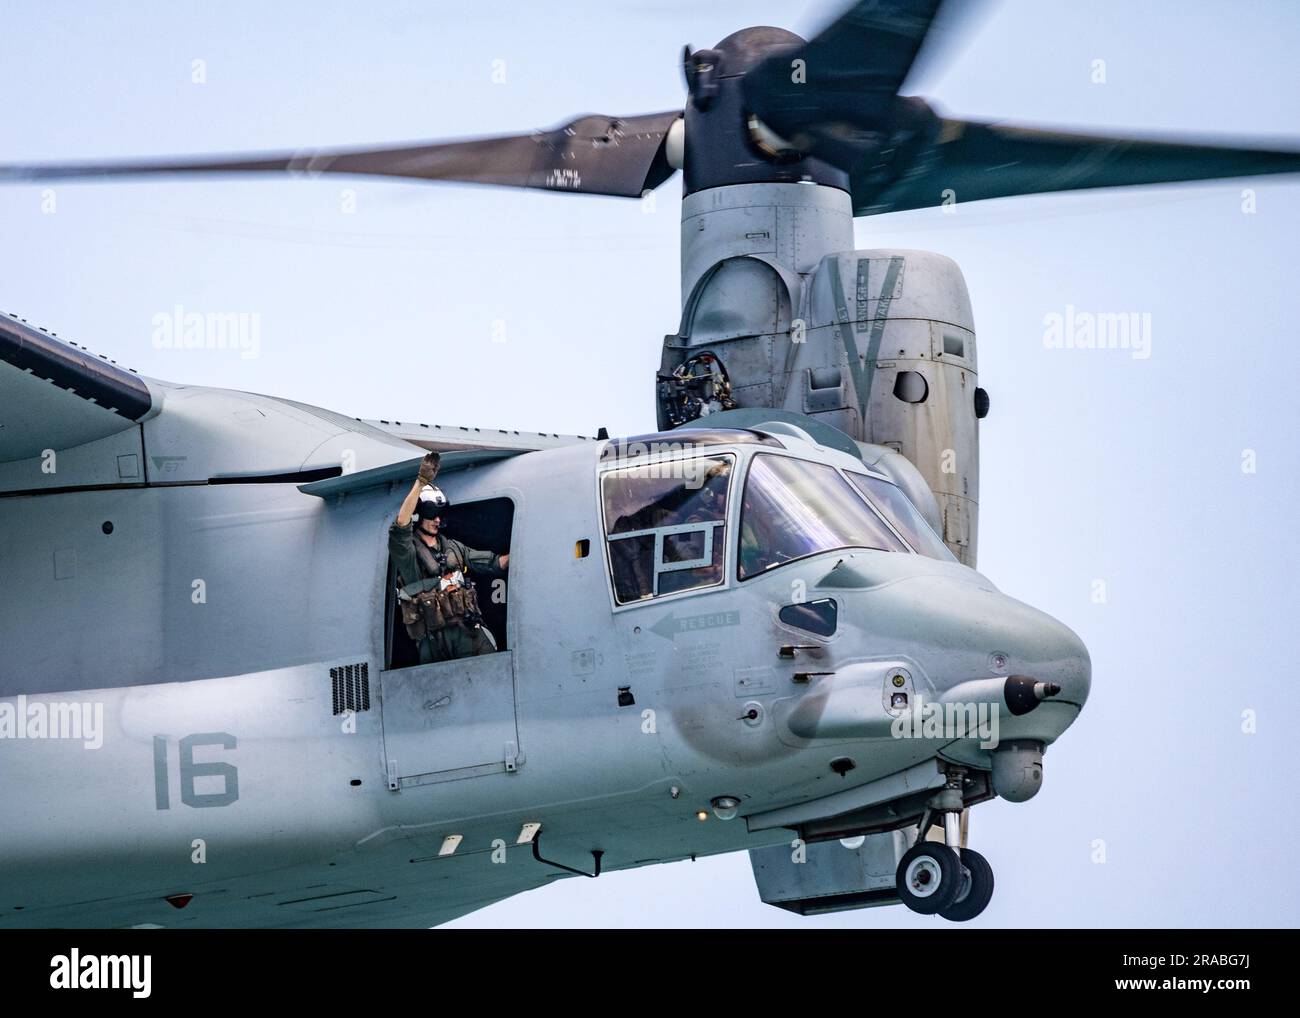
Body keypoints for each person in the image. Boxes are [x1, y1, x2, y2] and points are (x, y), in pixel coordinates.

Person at [388, 452, 510, 664]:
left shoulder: (453, 547)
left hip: (467, 633)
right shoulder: (410, 555)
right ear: (418, 514)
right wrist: (420, 483)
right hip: (436, 643)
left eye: (439, 513)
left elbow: (494, 563)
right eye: (430, 512)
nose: (436, 519)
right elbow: (400, 529)